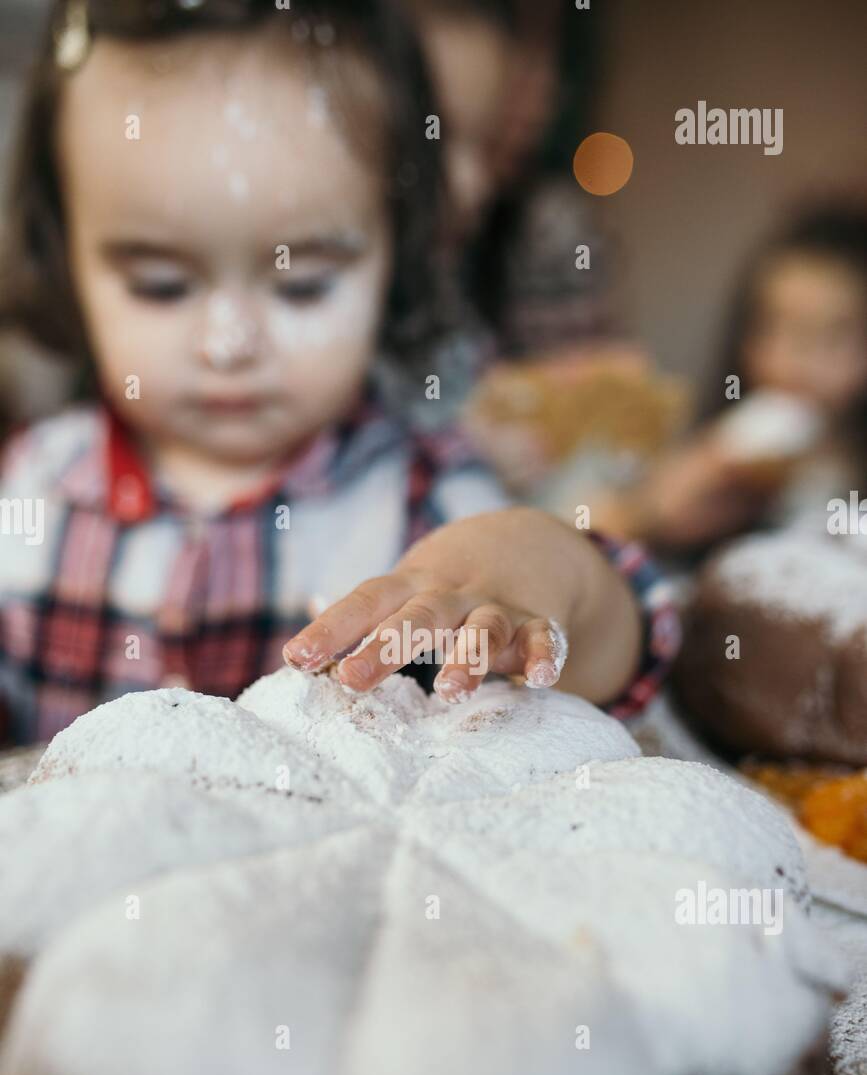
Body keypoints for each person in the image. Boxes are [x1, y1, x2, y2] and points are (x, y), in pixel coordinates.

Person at [0, 0, 676, 747]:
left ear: (397, 255)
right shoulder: (28, 485)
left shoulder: (428, 504)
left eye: (303, 285)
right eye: (161, 284)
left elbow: (631, 654)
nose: (229, 344)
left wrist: (542, 570)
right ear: (65, 252)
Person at [592, 204, 867, 551]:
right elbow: (587, 531)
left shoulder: (846, 482)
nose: (790, 362)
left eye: (830, 336)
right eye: (772, 326)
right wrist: (650, 512)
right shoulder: (708, 457)